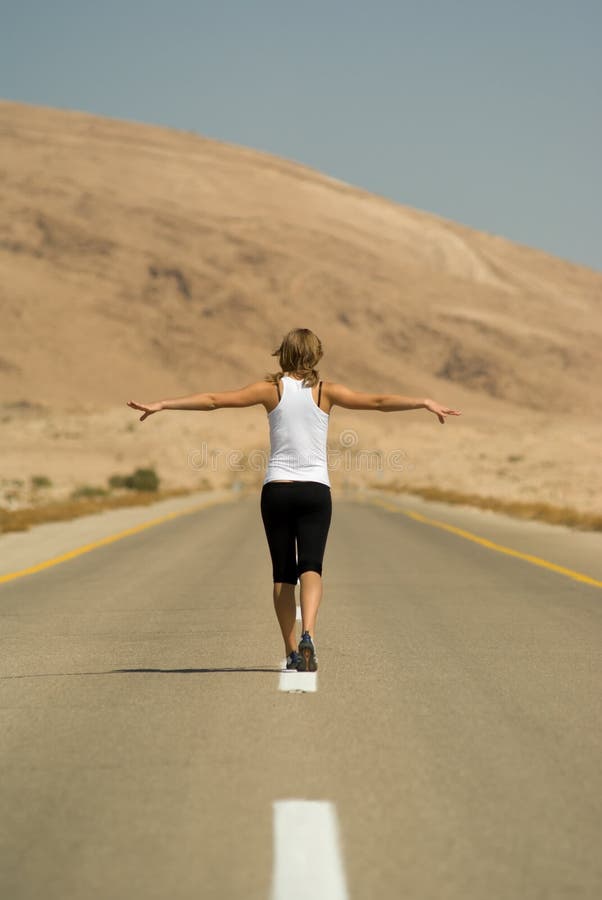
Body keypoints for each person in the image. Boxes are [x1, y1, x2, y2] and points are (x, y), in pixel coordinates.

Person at [127, 327, 461, 672]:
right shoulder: (325, 392)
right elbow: (377, 403)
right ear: (316, 356)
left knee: (283, 574)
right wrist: (422, 401)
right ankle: (309, 635)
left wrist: (163, 404)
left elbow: (214, 400)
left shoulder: (270, 390)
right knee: (312, 567)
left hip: (278, 490)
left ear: (282, 354)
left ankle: (291, 652)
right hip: (315, 490)